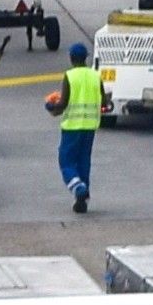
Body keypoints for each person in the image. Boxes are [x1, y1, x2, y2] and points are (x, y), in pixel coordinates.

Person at [52, 56, 102, 213]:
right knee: (83, 161)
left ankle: (78, 188)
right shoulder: (95, 75)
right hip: (90, 126)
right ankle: (82, 200)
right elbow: (105, 101)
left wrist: (51, 105)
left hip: (72, 127)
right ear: (86, 58)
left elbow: (63, 104)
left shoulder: (70, 76)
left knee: (66, 162)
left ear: (71, 58)